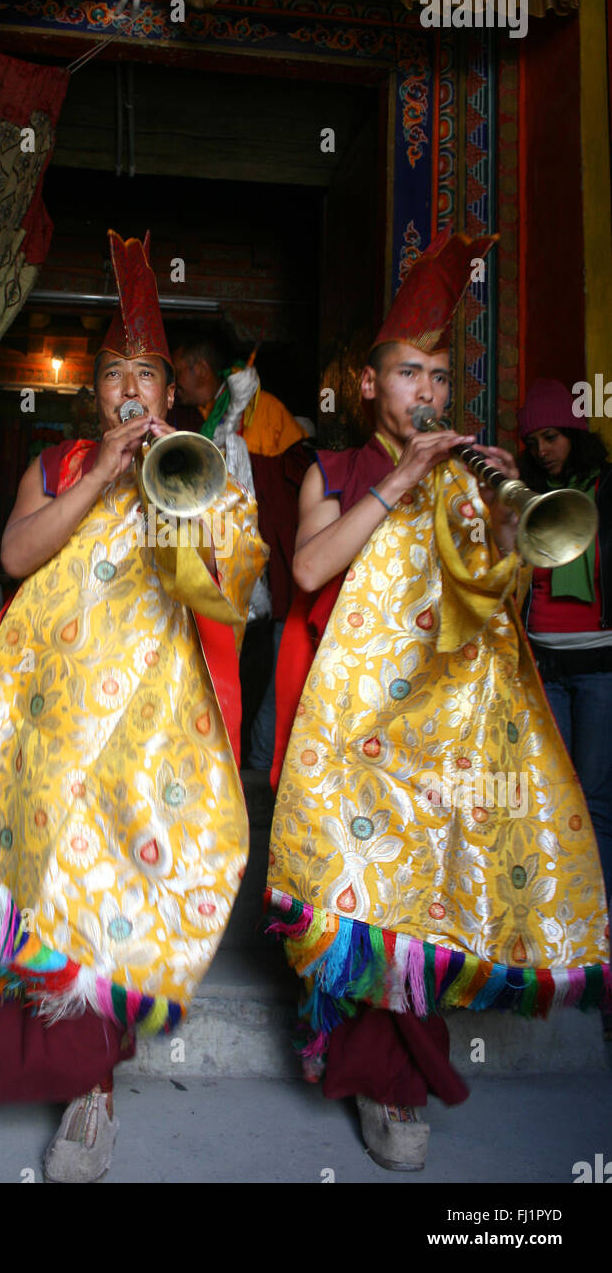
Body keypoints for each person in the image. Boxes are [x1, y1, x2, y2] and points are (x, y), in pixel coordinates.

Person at [0, 231, 267, 1183]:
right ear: (94, 390)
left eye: (147, 374)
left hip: (160, 737)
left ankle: (94, 1084)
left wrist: (174, 494)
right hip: (60, 732)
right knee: (64, 889)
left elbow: (230, 594)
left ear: (173, 390)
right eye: (115, 376)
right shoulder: (60, 465)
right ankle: (87, 1093)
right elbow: (17, 558)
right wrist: (105, 472)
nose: (132, 391)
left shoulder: (202, 473)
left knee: (130, 893)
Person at [265, 230, 611, 1172]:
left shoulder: (470, 477)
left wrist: (503, 517)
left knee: (426, 901)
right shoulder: (330, 471)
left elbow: (498, 602)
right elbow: (307, 568)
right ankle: (369, 1066)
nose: (430, 390)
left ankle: (399, 1086)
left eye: (443, 375)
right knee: (356, 893)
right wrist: (400, 480)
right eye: (411, 372)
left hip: (449, 737)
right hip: (351, 735)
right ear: (371, 385)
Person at [171, 326, 309, 769]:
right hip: (206, 557)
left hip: (257, 559)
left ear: (199, 368)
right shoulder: (196, 418)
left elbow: (281, 482)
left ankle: (251, 757)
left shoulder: (261, 408)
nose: (176, 386)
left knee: (258, 657)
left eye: (179, 374)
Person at [518, 378, 612, 909]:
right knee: (553, 801)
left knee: (596, 802)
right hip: (544, 662)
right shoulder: (530, 494)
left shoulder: (608, 488)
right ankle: (557, 929)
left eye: (552, 437)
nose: (543, 450)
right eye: (534, 442)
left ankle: (599, 938)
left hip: (601, 663)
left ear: (575, 433)